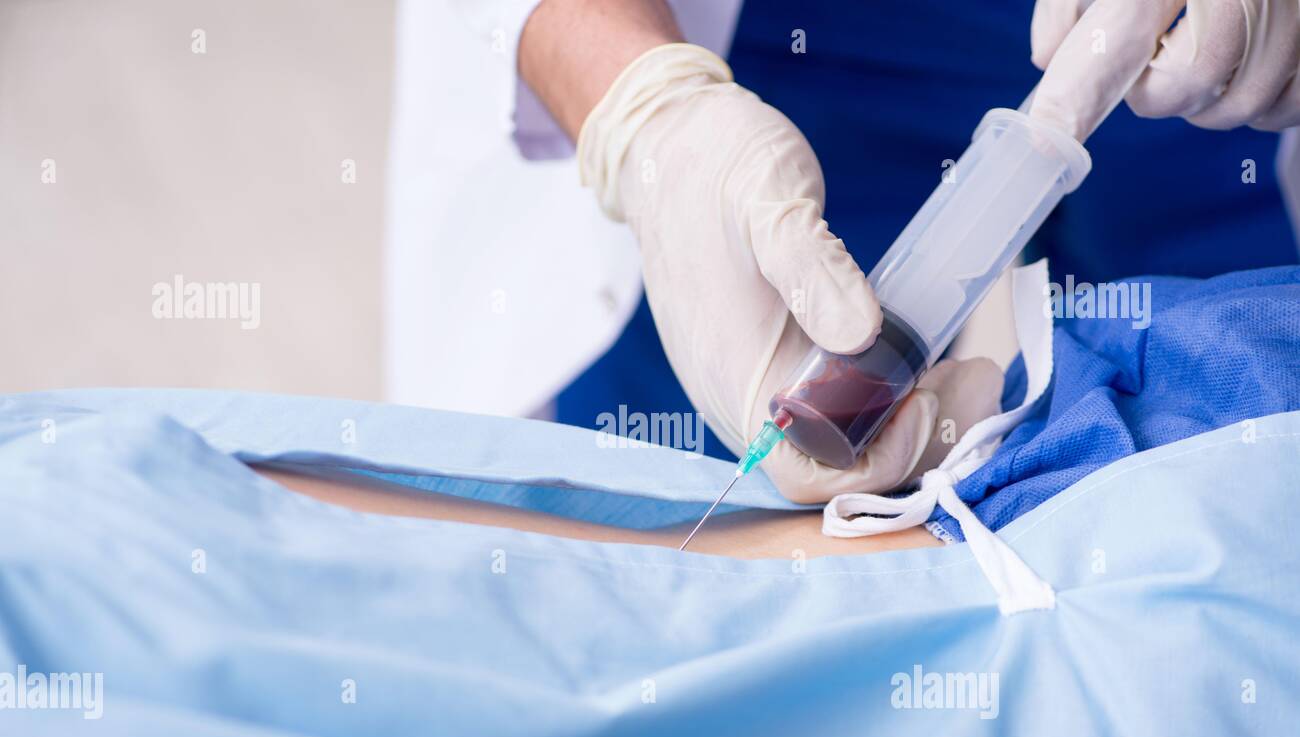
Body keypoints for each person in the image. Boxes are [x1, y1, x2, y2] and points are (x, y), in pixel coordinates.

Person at [395, 0, 1298, 503]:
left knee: (1228, 444)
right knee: (656, 497)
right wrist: (646, 107)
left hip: (1212, 70)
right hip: (781, 35)